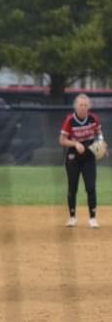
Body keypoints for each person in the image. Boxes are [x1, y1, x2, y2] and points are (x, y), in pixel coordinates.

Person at [60, 93, 104, 228]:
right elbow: (62, 140)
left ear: (89, 106)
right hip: (73, 156)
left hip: (89, 156)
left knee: (91, 187)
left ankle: (92, 218)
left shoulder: (93, 118)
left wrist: (101, 142)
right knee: (72, 188)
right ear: (75, 106)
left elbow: (99, 133)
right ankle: (72, 217)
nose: (83, 107)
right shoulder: (70, 120)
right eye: (80, 105)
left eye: (85, 105)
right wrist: (75, 144)